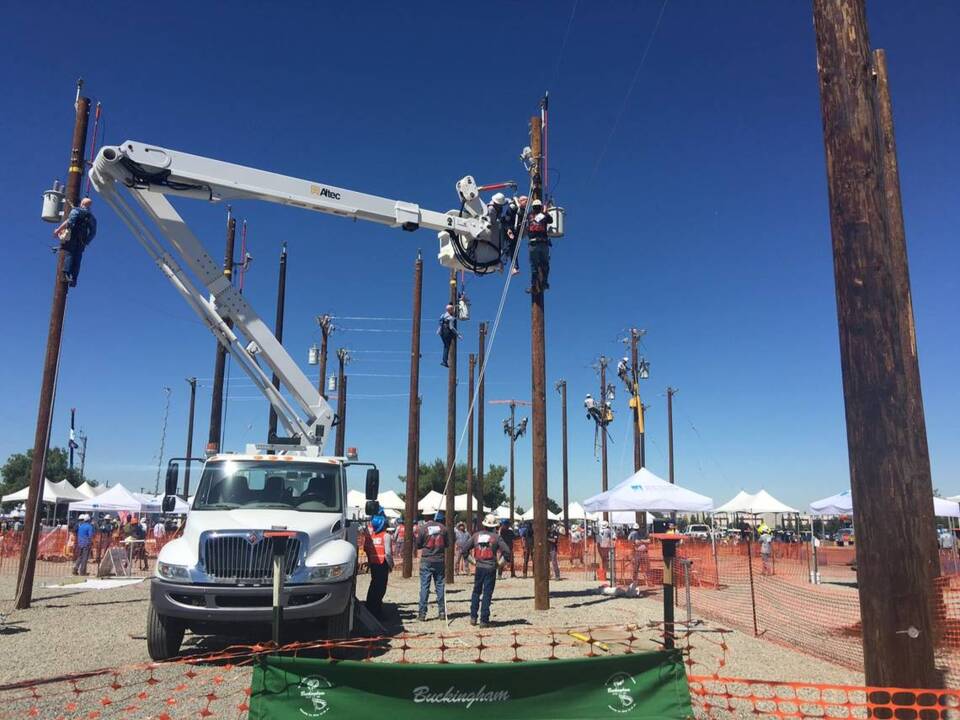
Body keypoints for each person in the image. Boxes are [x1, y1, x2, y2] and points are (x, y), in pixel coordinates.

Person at [462, 514, 513, 628]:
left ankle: (473, 617)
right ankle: (484, 620)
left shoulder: (476, 536)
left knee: (476, 592)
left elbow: (464, 550)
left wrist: (473, 562)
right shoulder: (496, 537)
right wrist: (500, 564)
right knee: (487, 594)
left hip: (479, 567)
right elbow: (507, 552)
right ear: (494, 526)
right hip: (490, 568)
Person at [52, 197, 97, 287]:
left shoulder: (76, 211)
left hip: (73, 235)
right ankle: (74, 279)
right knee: (77, 258)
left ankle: (66, 275)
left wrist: (58, 231)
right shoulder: (92, 218)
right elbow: (93, 232)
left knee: (70, 253)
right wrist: (86, 241)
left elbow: (70, 222)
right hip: (82, 239)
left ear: (82, 203)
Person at [417, 510, 448, 621]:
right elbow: (447, 544)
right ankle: (442, 612)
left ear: (426, 516)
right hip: (439, 560)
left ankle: (422, 613)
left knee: (425, 586)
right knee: (440, 586)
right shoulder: (443, 529)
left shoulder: (423, 529)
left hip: (426, 560)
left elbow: (418, 545)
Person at [363, 510, 393, 619]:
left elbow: (367, 549)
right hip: (382, 564)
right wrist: (391, 565)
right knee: (380, 589)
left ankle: (370, 607)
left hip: (374, 564)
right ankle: (377, 611)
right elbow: (388, 553)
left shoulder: (373, 536)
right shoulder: (386, 536)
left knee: (374, 586)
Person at [524, 198, 553, 292]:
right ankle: (544, 283)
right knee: (545, 264)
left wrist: (544, 211)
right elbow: (550, 220)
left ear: (533, 207)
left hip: (533, 244)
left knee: (534, 266)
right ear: (540, 207)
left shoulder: (529, 215)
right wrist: (545, 210)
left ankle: (533, 285)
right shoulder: (543, 215)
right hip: (543, 244)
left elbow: (533, 221)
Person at [500, 195, 524, 275]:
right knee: (506, 248)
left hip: (515, 232)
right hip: (508, 232)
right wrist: (509, 231)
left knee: (514, 251)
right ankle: (500, 265)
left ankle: (514, 268)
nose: (527, 203)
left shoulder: (523, 210)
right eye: (525, 201)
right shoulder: (512, 208)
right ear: (521, 201)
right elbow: (506, 221)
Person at [627, 523, 649, 588]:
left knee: (641, 568)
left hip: (641, 552)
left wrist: (641, 541)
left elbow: (647, 540)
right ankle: (636, 581)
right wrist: (642, 541)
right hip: (638, 552)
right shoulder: (635, 533)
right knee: (637, 568)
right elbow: (636, 541)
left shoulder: (636, 533)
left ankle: (641, 581)